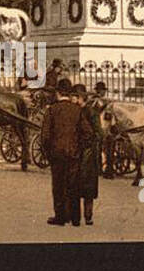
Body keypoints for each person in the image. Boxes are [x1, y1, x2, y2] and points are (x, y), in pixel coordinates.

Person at [40, 81, 84, 227]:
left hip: (57, 153)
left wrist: (48, 153)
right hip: (74, 153)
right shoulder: (77, 110)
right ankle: (76, 218)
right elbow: (88, 133)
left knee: (58, 186)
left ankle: (61, 217)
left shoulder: (52, 110)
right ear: (69, 94)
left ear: (58, 93)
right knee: (73, 185)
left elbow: (45, 136)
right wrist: (80, 149)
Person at [75, 84, 102, 226]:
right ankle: (87, 216)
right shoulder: (89, 112)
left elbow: (98, 133)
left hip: (85, 153)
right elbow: (99, 133)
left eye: (75, 97)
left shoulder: (87, 112)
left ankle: (85, 216)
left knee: (82, 187)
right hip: (87, 154)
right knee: (86, 188)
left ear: (80, 98)